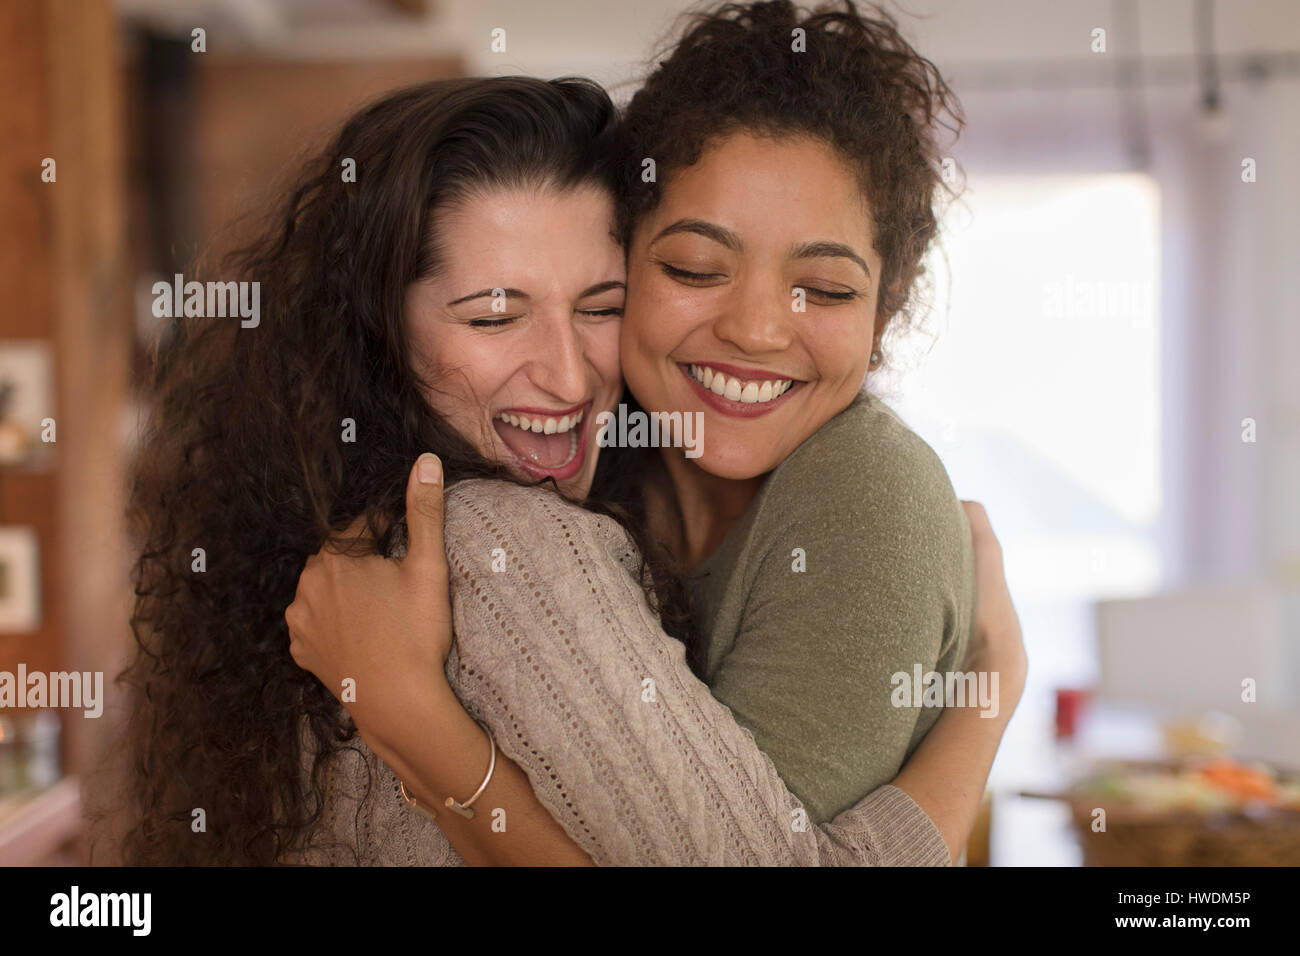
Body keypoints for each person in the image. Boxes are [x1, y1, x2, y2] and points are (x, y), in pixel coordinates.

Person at [286, 1, 1026, 865]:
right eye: (693, 268)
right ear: (628, 257)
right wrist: (985, 709)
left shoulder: (866, 496)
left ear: (884, 310)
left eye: (824, 289)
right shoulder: (567, 469)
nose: (755, 330)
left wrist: (418, 722)